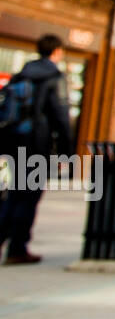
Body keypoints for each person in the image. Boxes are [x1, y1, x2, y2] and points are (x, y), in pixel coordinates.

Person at [0, 34, 75, 265]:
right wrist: (66, 154)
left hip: (12, 141)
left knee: (13, 193)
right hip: (35, 144)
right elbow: (61, 117)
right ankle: (17, 248)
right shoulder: (54, 77)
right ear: (57, 51)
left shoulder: (21, 74)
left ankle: (5, 240)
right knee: (28, 195)